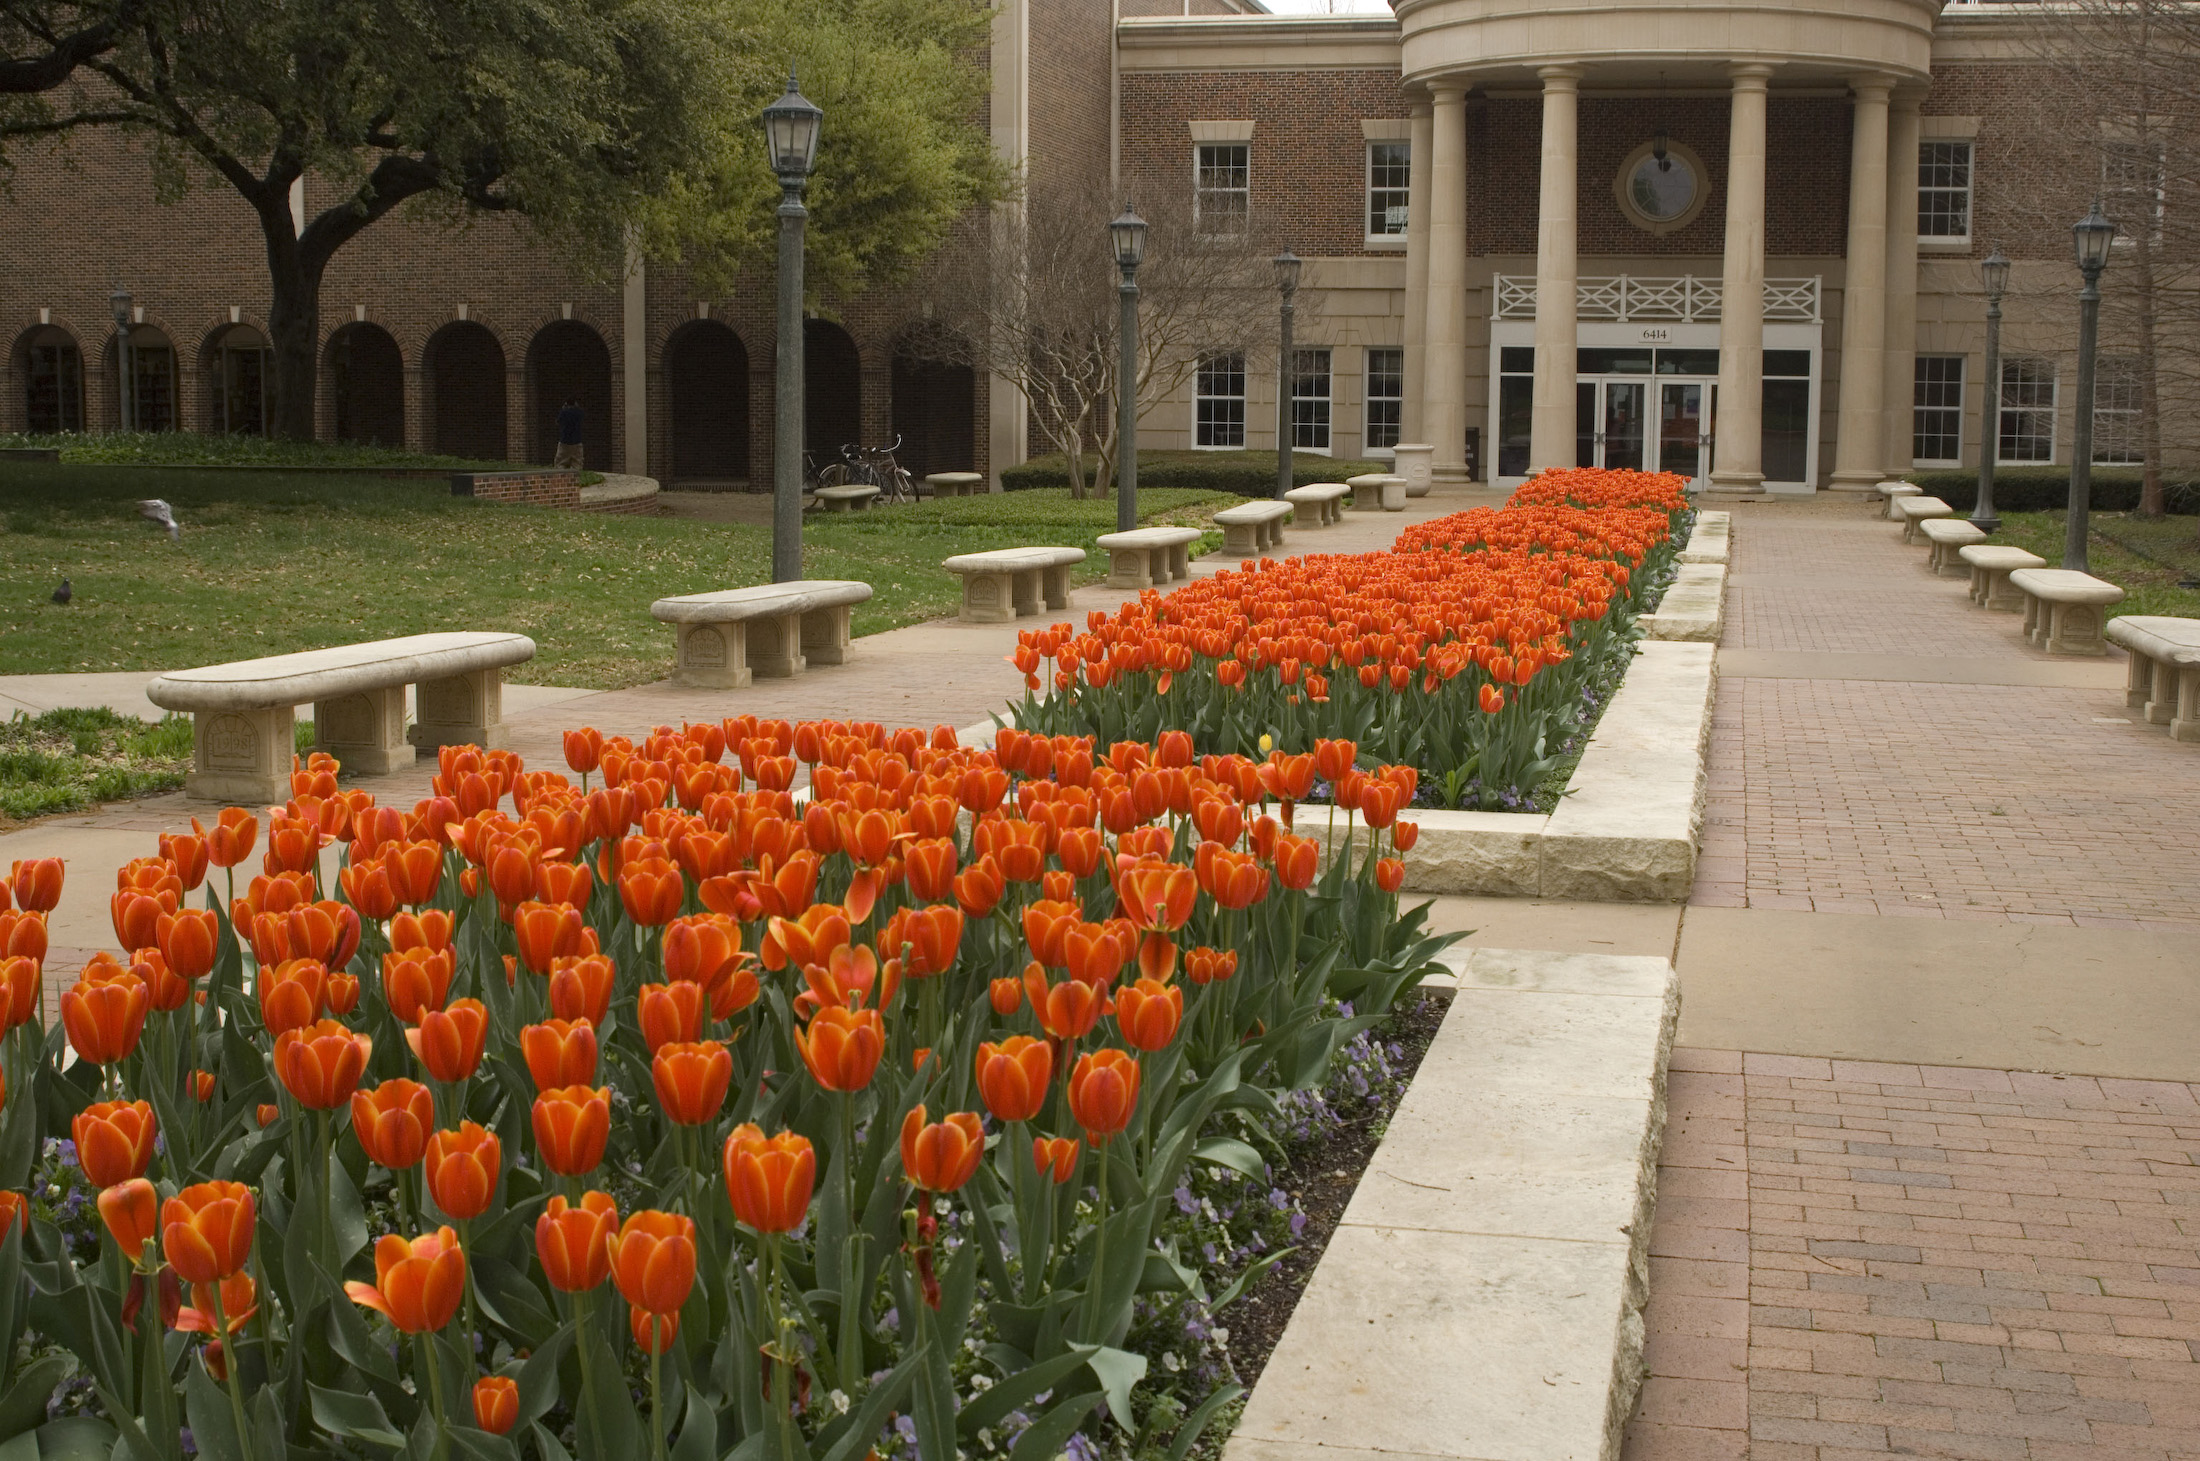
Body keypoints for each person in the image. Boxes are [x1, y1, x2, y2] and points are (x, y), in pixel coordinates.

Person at [554, 396, 585, 470]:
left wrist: (563, 408)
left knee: (560, 463)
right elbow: (582, 416)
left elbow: (557, 422)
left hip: (564, 441)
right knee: (577, 463)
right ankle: (575, 478)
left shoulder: (564, 412)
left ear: (566, 403)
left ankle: (561, 478)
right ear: (575, 403)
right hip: (577, 441)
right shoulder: (579, 412)